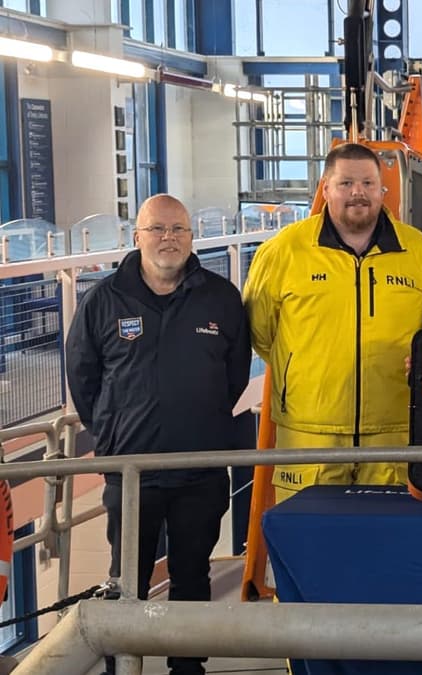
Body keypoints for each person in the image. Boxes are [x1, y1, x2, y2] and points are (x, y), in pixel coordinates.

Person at [65, 194, 250, 675]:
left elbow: (233, 377)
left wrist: (202, 420)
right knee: (128, 579)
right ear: (137, 236)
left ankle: (188, 667)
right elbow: (82, 378)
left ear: (191, 238)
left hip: (200, 470)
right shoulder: (102, 301)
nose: (168, 238)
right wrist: (110, 435)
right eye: (158, 229)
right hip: (131, 474)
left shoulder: (221, 298)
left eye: (178, 230)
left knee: (193, 574)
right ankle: (121, 668)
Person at [243, 143, 422, 501]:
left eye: (369, 184)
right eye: (346, 183)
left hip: (397, 429)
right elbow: (261, 331)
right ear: (325, 189)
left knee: (390, 547)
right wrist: (304, 369)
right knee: (308, 548)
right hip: (309, 433)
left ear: (382, 191)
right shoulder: (283, 252)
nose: (358, 193)